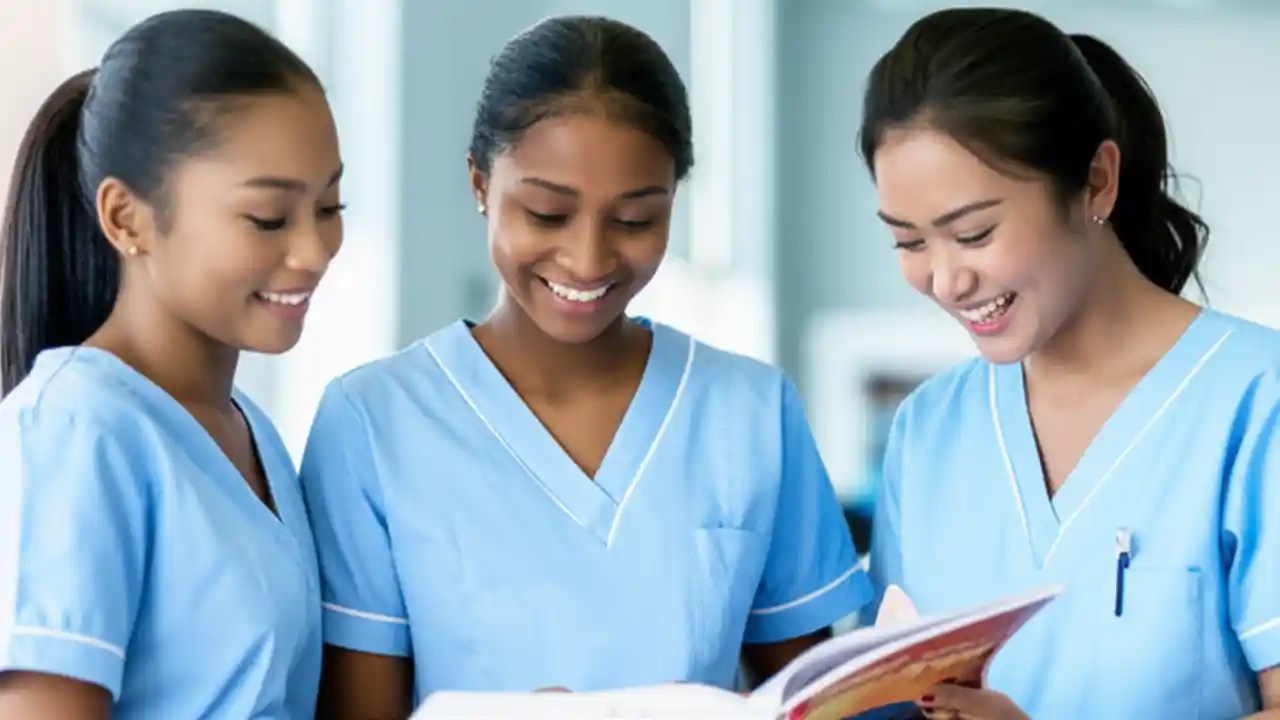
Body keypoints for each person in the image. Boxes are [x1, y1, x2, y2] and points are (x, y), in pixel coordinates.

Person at [299, 14, 868, 717]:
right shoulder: (373, 423)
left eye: (634, 220)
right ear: (480, 183)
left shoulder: (750, 412)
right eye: (545, 213)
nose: (589, 259)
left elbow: (810, 700)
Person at [859, 7, 1280, 719]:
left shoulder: (1255, 400)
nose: (946, 279)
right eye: (908, 242)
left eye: (974, 232)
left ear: (1096, 182)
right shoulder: (929, 430)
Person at [0, 10, 343, 719]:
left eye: (331, 205)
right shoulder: (74, 430)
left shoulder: (252, 436)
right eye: (270, 219)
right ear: (126, 218)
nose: (313, 251)